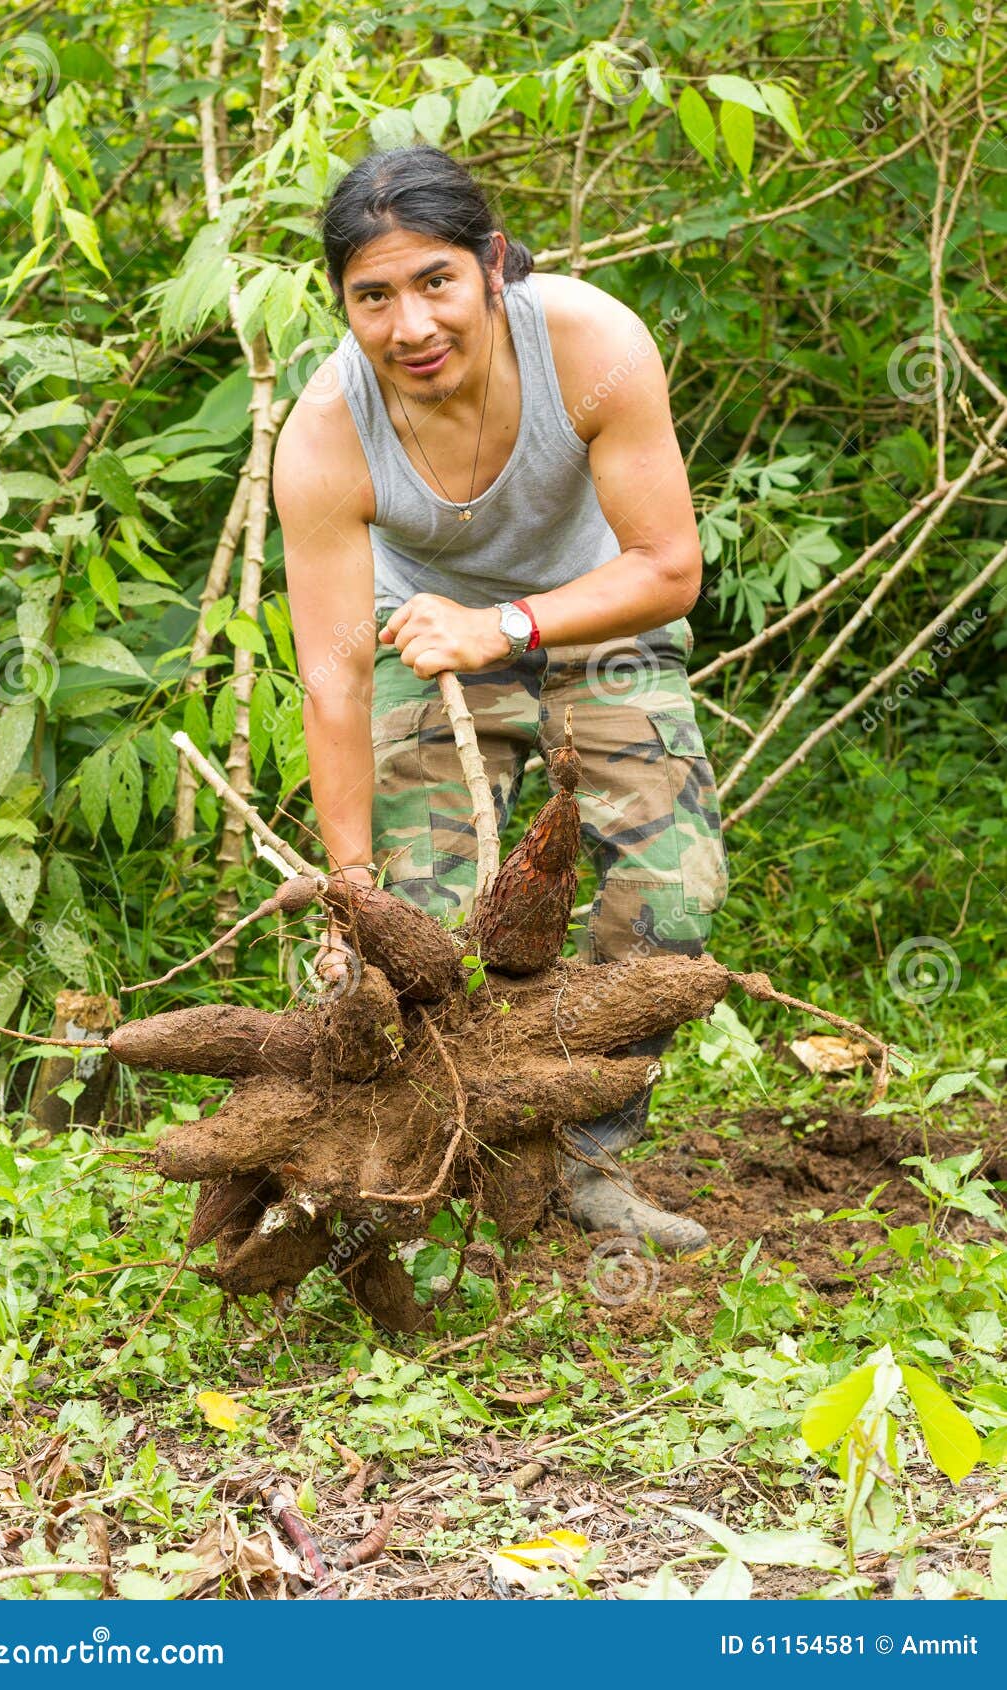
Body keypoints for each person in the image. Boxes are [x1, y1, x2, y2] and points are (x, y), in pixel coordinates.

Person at [272, 145, 729, 1256]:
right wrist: (351, 894)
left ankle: (586, 1162)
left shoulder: (590, 345)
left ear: (490, 267)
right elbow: (332, 674)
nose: (409, 326)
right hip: (427, 644)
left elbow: (669, 564)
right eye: (372, 297)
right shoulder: (326, 433)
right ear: (343, 303)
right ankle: (456, 1164)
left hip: (599, 613)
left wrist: (511, 623)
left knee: (674, 890)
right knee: (425, 935)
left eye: (433, 282)